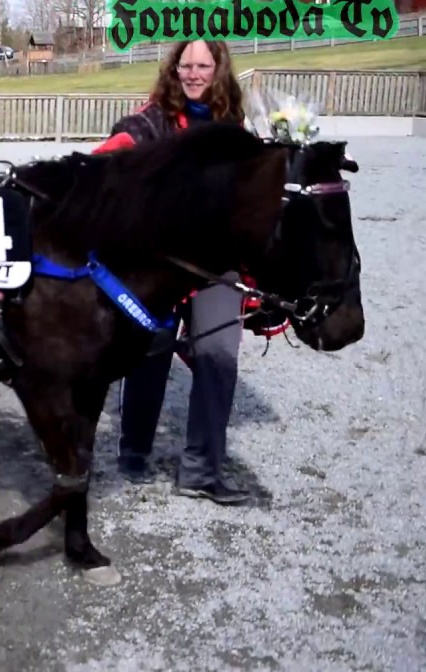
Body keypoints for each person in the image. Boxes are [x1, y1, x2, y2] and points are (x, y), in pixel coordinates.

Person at [93, 39, 252, 506]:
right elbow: (111, 154)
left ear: (219, 70)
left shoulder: (234, 125)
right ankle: (135, 448)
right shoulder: (151, 121)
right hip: (159, 261)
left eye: (204, 65)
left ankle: (201, 469)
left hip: (215, 263)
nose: (195, 73)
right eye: (187, 65)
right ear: (174, 69)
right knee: (150, 349)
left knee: (219, 353)